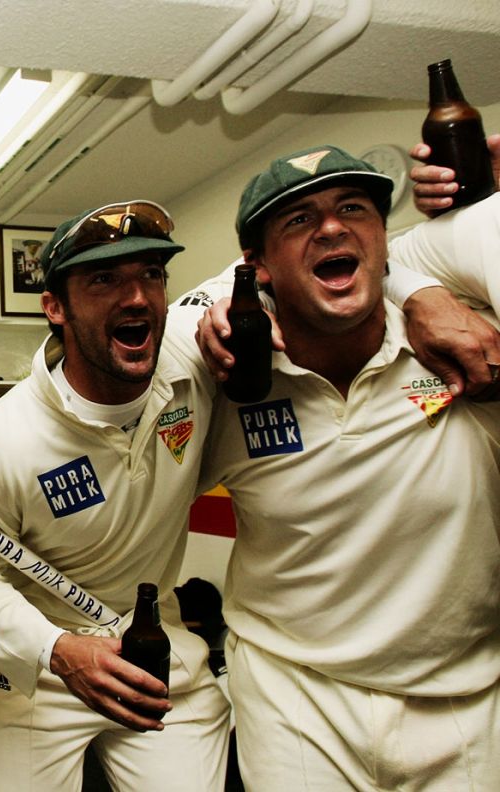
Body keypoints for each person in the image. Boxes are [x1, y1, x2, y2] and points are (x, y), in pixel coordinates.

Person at [195, 145, 500, 789]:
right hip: (294, 693)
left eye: (354, 209)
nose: (333, 228)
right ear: (258, 266)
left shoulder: (464, 344)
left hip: (466, 695)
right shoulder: (224, 380)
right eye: (298, 220)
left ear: (385, 239)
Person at [0, 202, 230, 791]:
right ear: (55, 307)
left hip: (155, 643)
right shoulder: (4, 437)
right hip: (39, 661)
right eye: (105, 279)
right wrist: (55, 649)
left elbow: (269, 266)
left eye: (151, 274)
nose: (136, 298)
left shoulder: (189, 357)